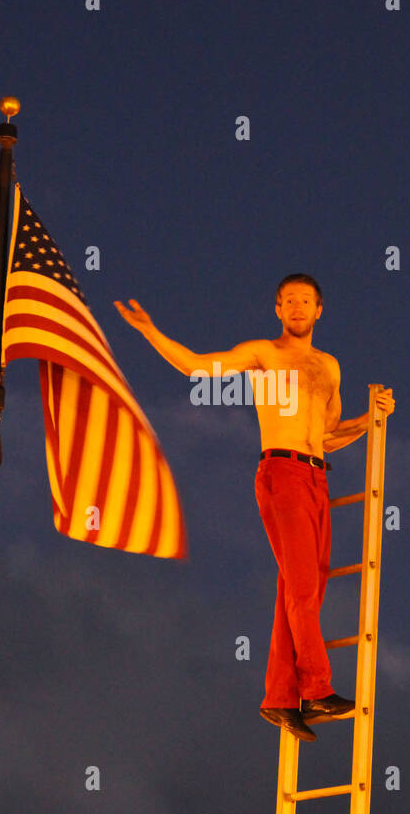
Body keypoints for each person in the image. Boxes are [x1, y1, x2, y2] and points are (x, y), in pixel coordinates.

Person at [114, 275, 395, 742]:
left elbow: (328, 434)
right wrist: (150, 330)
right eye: (289, 301)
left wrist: (372, 419)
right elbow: (196, 368)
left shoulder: (329, 366)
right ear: (278, 310)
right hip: (281, 473)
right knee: (302, 586)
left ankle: (281, 698)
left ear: (319, 309)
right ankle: (317, 689)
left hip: (316, 475)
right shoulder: (265, 354)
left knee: (303, 587)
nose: (298, 307)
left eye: (306, 300)